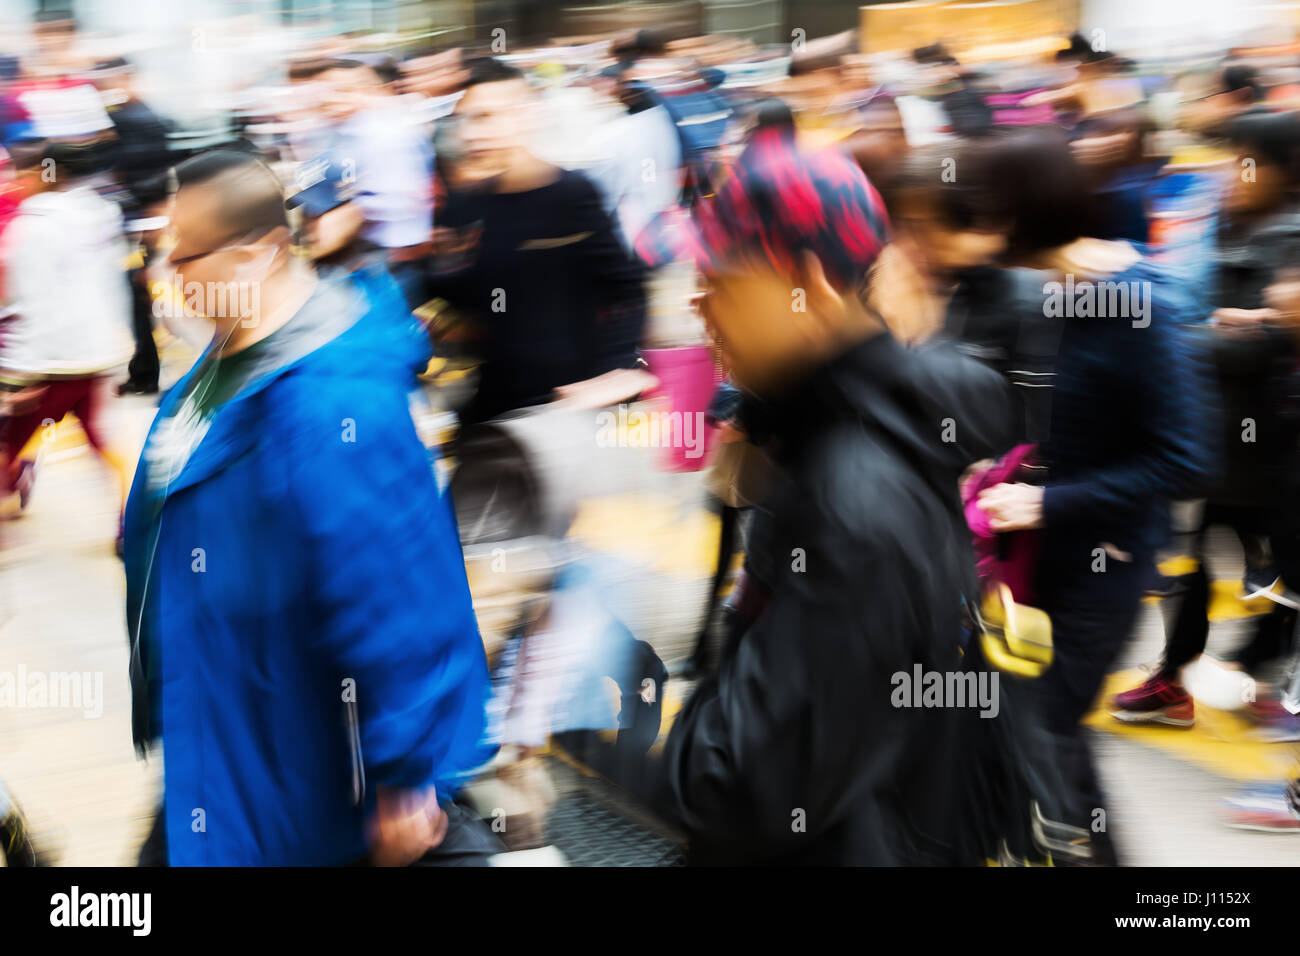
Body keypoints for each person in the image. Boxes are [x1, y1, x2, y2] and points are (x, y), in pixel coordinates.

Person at [625, 130, 1024, 864]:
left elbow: (749, 785)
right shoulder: (860, 428)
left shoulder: (851, 496)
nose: (699, 304)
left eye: (720, 277)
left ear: (807, 281)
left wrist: (618, 715)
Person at [123, 151, 496, 866]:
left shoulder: (332, 403)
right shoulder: (220, 364)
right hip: (222, 715)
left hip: (300, 756)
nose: (164, 273)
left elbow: (394, 592)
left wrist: (404, 778)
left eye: (184, 253)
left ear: (256, 256)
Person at [973, 128, 1211, 862]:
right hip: (1047, 558)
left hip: (1106, 564)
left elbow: (1187, 461)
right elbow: (1071, 427)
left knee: (1041, 728)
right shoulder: (1055, 293)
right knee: (1040, 733)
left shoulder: (1138, 307)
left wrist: (1050, 502)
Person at [430, 57, 647, 425]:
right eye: (464, 119)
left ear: (524, 116)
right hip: (497, 404)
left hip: (570, 404)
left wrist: (619, 368)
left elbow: (626, 287)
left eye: (485, 117)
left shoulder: (570, 194)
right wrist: (438, 271)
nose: (469, 133)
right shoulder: (466, 203)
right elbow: (468, 296)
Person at [0, 138, 133, 514]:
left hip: (50, 361)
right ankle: (129, 514)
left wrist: (19, 370)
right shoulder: (101, 214)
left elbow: (29, 301)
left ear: (38, 175)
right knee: (98, 436)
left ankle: (18, 476)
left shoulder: (31, 227)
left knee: (10, 441)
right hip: (97, 353)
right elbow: (111, 283)